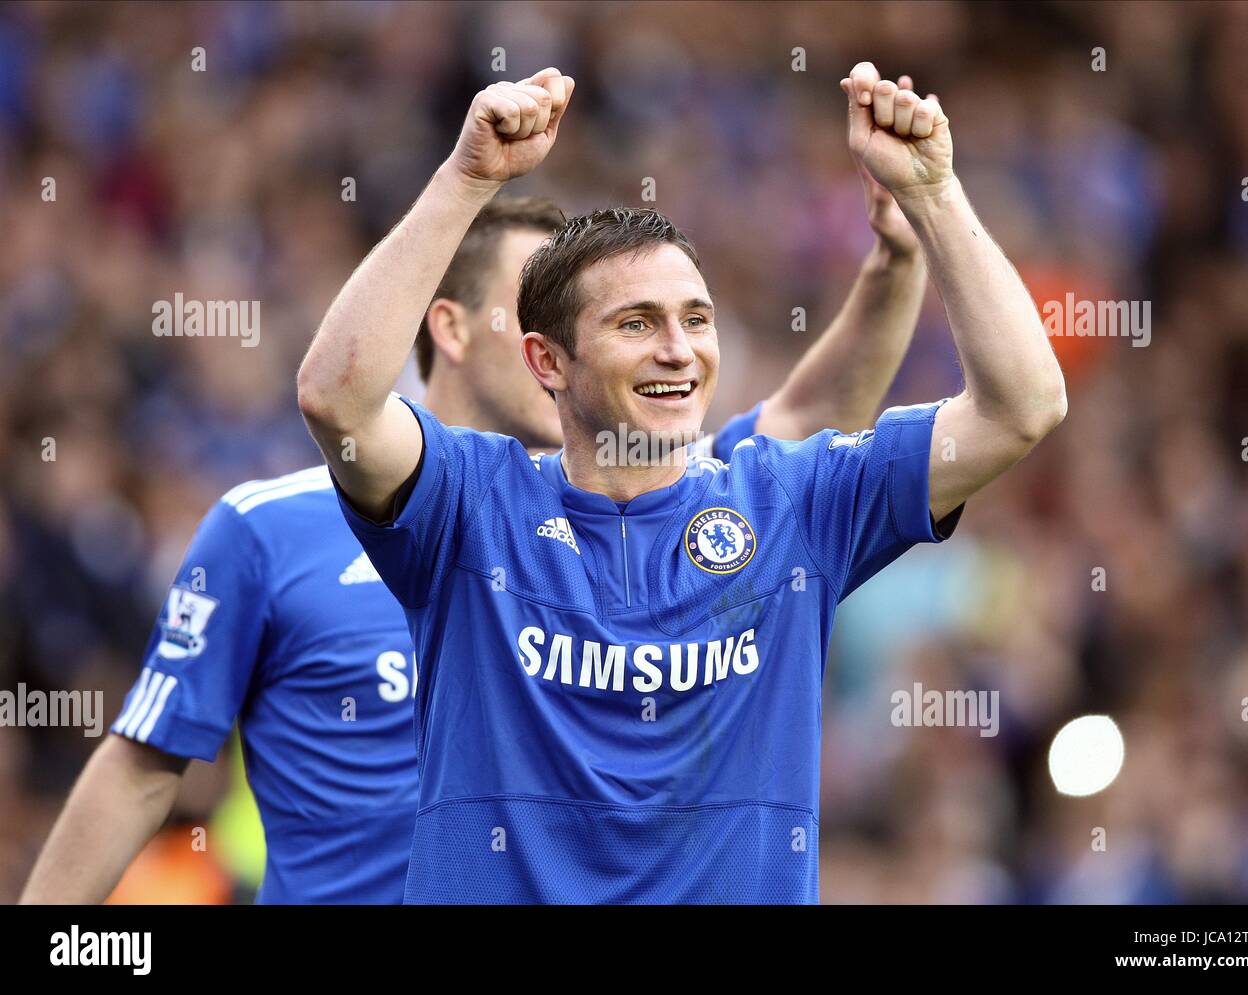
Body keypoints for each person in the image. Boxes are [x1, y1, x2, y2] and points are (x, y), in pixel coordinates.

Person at [20, 80, 929, 905]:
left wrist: (894, 263)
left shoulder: (663, 506)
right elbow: (144, 764)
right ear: (451, 327)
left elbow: (814, 422)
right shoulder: (272, 530)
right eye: (529, 305)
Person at [296, 65, 1066, 903]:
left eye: (696, 319)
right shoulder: (469, 505)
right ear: (547, 360)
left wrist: (935, 192)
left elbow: (1021, 407)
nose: (679, 348)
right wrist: (466, 180)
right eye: (637, 323)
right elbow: (336, 397)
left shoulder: (788, 501)